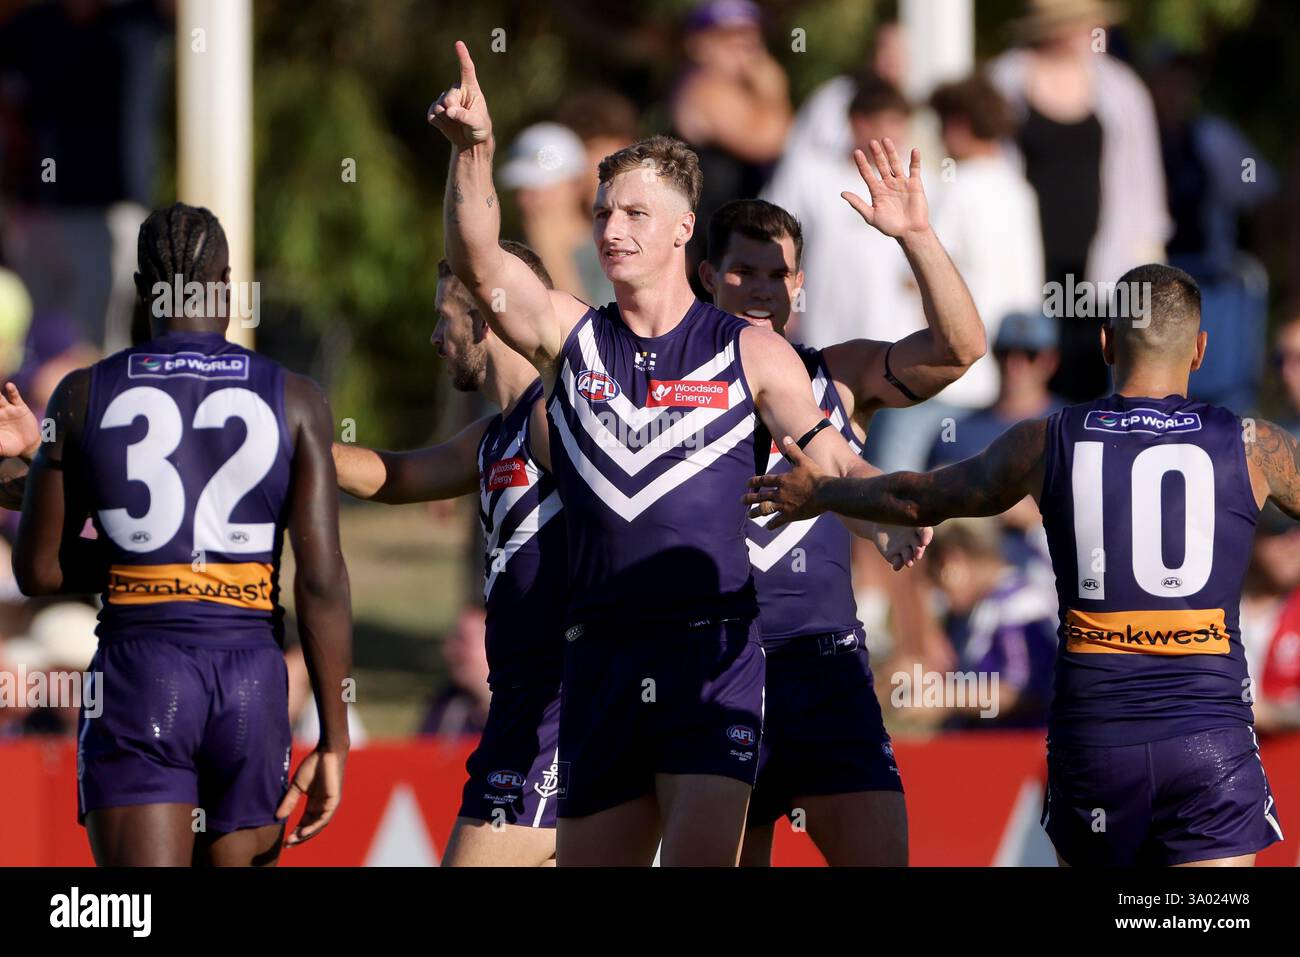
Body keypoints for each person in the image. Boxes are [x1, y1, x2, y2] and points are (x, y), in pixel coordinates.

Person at [428, 42, 925, 867]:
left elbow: (835, 462)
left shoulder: (751, 351)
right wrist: (473, 152)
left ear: (683, 230)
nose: (612, 229)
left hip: (712, 656)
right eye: (602, 213)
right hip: (601, 658)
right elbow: (482, 265)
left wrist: (893, 510)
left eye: (634, 214)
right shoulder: (573, 338)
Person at [748, 263, 1290, 866]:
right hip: (1208, 737)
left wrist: (821, 491)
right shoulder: (1256, 446)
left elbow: (916, 497)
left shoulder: (1046, 440)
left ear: (1106, 342)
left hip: (1097, 742)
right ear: (1200, 351)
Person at [10, 203, 352, 866]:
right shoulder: (298, 397)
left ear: (143, 290)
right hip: (251, 682)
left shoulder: (82, 395)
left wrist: (140, 559)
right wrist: (334, 738)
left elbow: (41, 571)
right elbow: (321, 579)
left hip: (141, 674)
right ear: (227, 283)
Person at [698, 183, 984, 866]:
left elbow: (960, 349)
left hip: (823, 668)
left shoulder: (840, 374)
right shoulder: (675, 387)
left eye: (778, 275)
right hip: (714, 668)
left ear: (799, 285)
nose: (762, 289)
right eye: (743, 271)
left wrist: (915, 235)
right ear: (708, 277)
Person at [334, 240, 566, 866]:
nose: (436, 337)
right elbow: (395, 477)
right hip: (522, 706)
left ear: (486, 318)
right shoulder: (498, 433)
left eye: (445, 317)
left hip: (559, 708)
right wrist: (283, 439)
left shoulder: (554, 416)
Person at [989, 0, 1170, 402]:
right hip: (1026, 261)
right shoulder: (1004, 81)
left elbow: (1145, 185)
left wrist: (1148, 259)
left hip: (1103, 267)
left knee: (1095, 372)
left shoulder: (1122, 89)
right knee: (1026, 380)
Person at [922, 518, 1058, 730]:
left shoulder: (1021, 604)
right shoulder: (980, 611)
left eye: (935, 578)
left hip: (1023, 751)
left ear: (952, 561)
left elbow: (1023, 691)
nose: (940, 594)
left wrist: (945, 699)